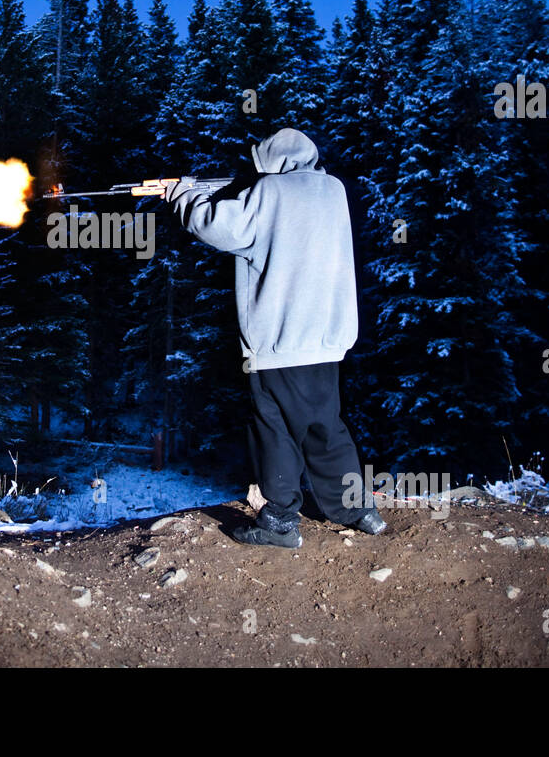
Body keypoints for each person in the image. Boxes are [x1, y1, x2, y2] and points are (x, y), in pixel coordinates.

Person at [165, 128, 385, 548]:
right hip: (325, 337)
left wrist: (184, 195)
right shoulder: (332, 190)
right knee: (325, 424)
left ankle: (281, 520)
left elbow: (218, 227)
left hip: (281, 337)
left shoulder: (270, 193)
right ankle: (357, 510)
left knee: (273, 426)